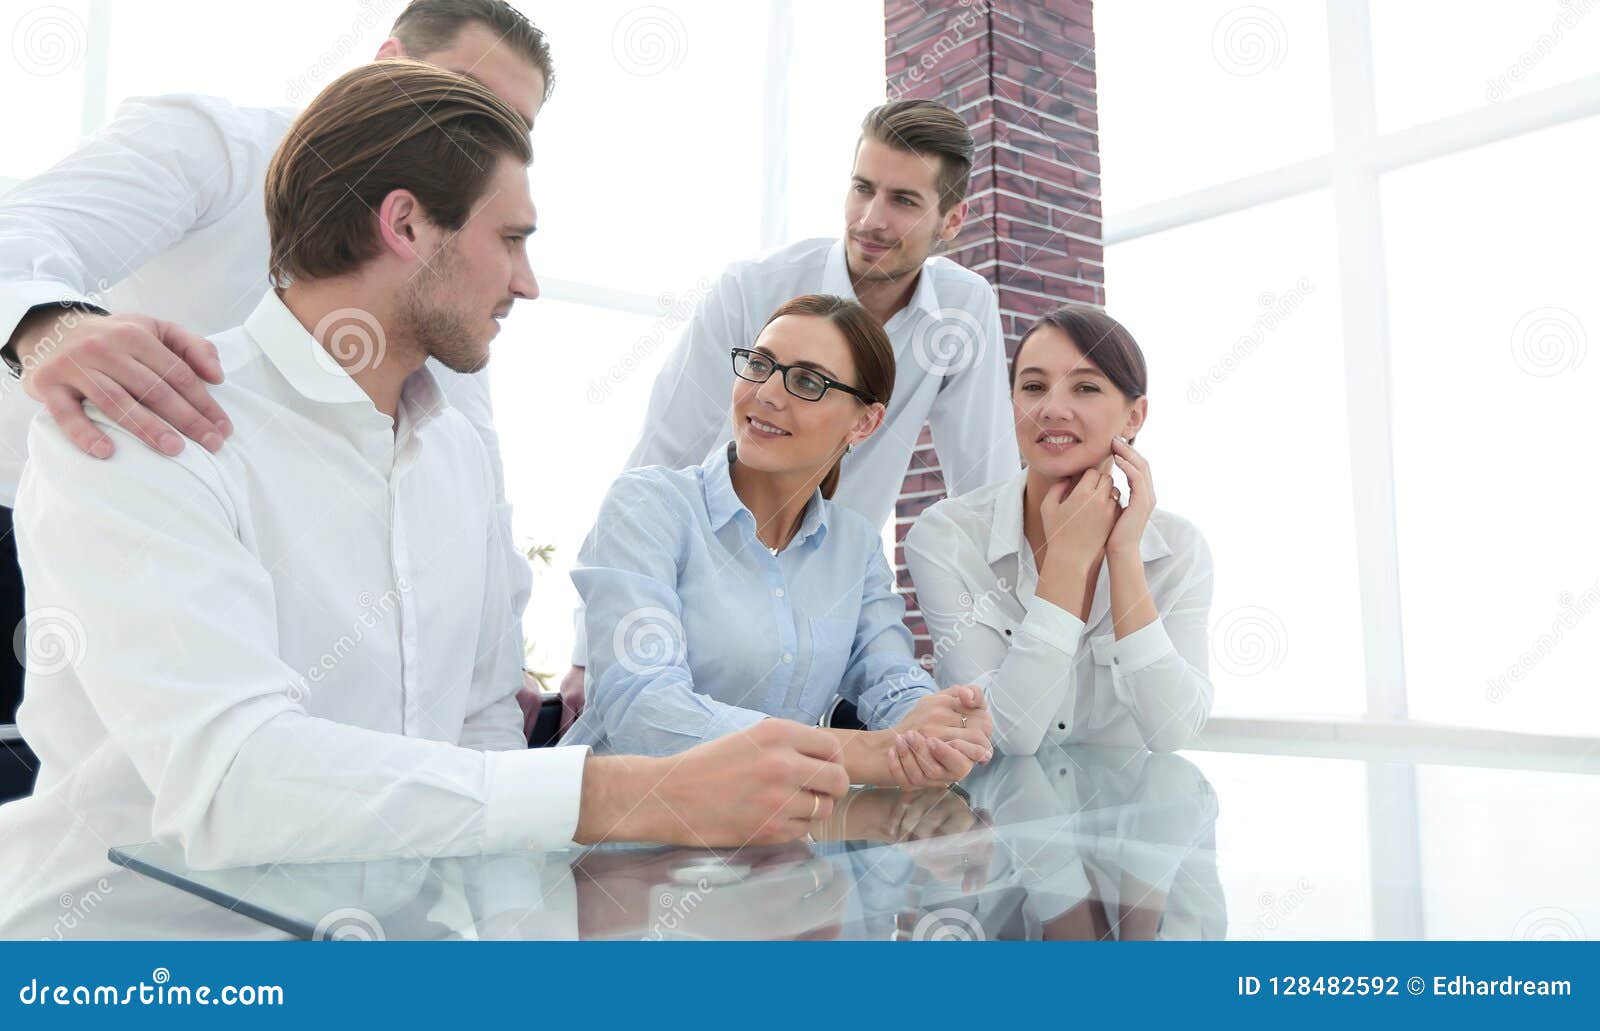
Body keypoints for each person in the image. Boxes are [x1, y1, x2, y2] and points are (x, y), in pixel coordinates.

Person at [0, 63, 848, 940]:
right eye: (511, 238)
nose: (528, 282)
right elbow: (233, 781)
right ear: (406, 223)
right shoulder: (152, 430)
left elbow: (481, 728)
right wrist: (638, 794)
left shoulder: (457, 458)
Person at [0, 0, 548, 730]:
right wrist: (45, 326)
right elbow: (21, 231)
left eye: (508, 124)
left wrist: (489, 666)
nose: (479, 138)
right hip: (60, 510)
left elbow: (473, 474)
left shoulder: (440, 276)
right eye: (460, 96)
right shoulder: (214, 145)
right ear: (384, 64)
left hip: (252, 585)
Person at [555, 99, 1022, 724]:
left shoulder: (963, 311)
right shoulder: (753, 288)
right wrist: (591, 650)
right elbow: (661, 453)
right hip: (707, 586)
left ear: (951, 221)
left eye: (904, 201)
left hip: (831, 597)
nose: (871, 219)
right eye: (862, 188)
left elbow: (985, 493)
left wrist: (1010, 666)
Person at [566, 294, 993, 787]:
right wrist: (856, 752)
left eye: (808, 381)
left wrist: (941, 723)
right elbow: (644, 712)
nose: (767, 393)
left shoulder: (853, 547)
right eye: (760, 364)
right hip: (619, 845)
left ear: (865, 422)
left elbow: (887, 676)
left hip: (773, 845)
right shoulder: (649, 506)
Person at [904, 306, 1214, 755]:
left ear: (1134, 417)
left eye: (1085, 387)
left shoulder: (1181, 551)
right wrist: (1068, 562)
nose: (1051, 409)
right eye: (1033, 387)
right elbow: (1004, 736)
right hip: (992, 819)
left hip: (1126, 820)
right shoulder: (947, 536)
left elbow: (1174, 732)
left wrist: (1124, 555)